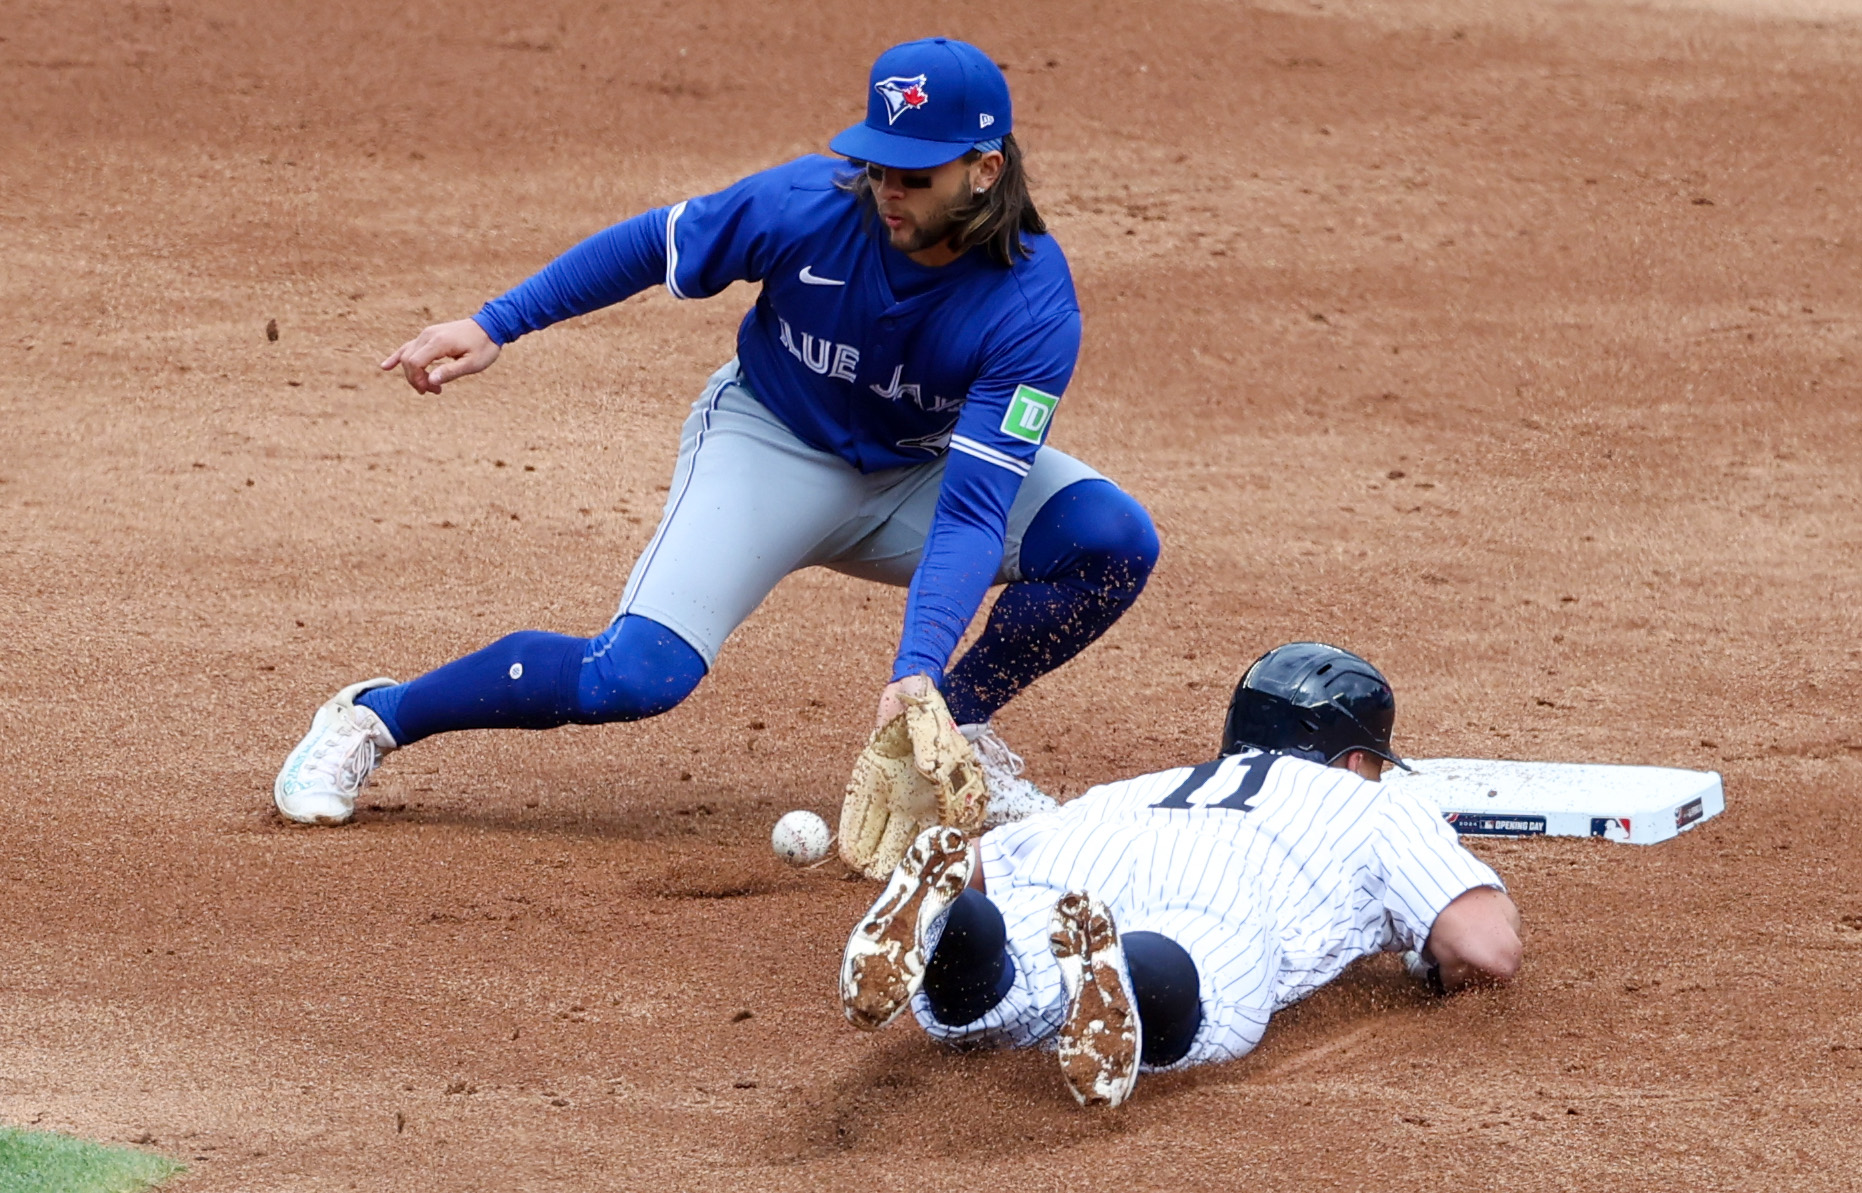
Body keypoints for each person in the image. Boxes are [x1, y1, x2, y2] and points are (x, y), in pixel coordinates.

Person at [273, 38, 1159, 825]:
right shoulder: (808, 206)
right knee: (632, 677)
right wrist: (496, 322)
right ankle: (373, 715)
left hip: (922, 474)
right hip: (769, 443)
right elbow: (647, 247)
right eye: (879, 165)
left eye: (915, 177)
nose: (887, 192)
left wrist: (920, 673)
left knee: (1111, 541)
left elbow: (973, 510)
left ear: (985, 170)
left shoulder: (1032, 306)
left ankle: (949, 736)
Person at [838, 642, 1523, 1108]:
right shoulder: (1372, 802)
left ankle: (958, 931)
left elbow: (982, 863)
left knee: (1002, 980)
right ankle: (1126, 973)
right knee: (1204, 972)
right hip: (1223, 886)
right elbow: (1485, 946)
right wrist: (1434, 964)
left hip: (1098, 848)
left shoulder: (1146, 786)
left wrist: (959, 883)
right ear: (1351, 760)